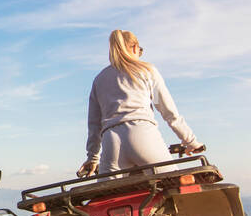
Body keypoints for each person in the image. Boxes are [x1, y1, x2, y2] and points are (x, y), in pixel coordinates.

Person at [78, 30, 203, 178]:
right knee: (175, 185)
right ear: (135, 48)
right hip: (142, 134)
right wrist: (190, 141)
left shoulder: (99, 80)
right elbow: (167, 111)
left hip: (111, 141)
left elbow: (94, 125)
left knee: (108, 197)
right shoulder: (147, 71)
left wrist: (93, 157)